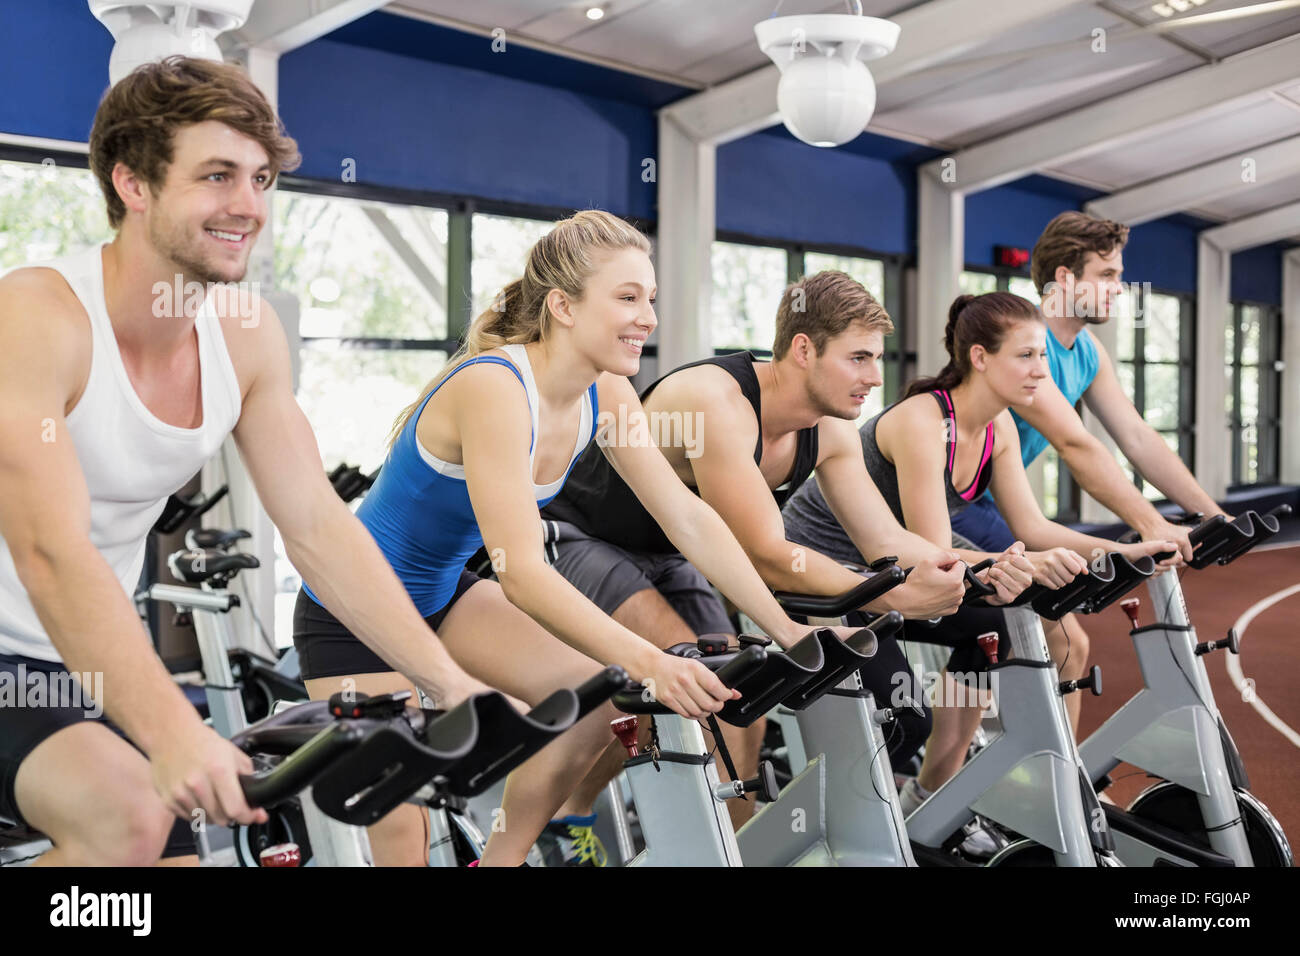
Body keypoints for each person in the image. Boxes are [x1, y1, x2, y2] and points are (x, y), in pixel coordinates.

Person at [0, 57, 499, 866]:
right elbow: (50, 554)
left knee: (182, 853)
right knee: (130, 822)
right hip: (12, 653)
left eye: (262, 179)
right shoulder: (37, 317)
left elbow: (315, 524)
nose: (249, 207)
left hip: (78, 658)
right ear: (132, 184)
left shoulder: (244, 332)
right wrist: (170, 733)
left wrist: (447, 681)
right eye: (218, 176)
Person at [293, 210, 851, 866]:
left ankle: (502, 860)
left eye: (649, 299)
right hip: (351, 612)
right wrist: (651, 660)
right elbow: (523, 572)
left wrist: (786, 629)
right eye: (626, 298)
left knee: (592, 700)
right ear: (563, 305)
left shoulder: (606, 392)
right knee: (406, 834)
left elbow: (688, 519)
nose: (647, 316)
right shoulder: (496, 389)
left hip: (443, 598)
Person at [540, 270, 1031, 830]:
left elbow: (888, 543)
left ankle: (735, 843)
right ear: (804, 349)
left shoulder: (832, 430)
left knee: (731, 696)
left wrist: (980, 569)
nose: (875, 377)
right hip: (579, 537)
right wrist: (889, 593)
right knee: (689, 678)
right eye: (858, 359)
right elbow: (767, 552)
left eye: (877, 359)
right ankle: (564, 818)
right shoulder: (715, 400)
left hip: (674, 554)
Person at [782, 292, 1173, 828]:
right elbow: (932, 551)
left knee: (997, 625)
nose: (1042, 371)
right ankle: (829, 821)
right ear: (980, 358)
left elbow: (1032, 527)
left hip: (890, 577)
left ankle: (930, 797)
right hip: (827, 579)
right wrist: (1027, 564)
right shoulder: (925, 421)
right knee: (906, 719)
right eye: (1026, 357)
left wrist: (1126, 548)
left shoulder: (999, 428)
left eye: (1043, 356)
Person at [949, 211, 1229, 711]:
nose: (1119, 288)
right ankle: (1053, 780)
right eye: (1108, 275)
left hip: (1001, 509)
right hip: (959, 506)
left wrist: (1212, 516)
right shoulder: (1024, 346)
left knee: (1042, 637)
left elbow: (1137, 437)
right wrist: (1151, 524)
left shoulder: (1087, 350)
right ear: (1064, 278)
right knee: (1068, 641)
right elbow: (1075, 445)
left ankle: (1036, 770)